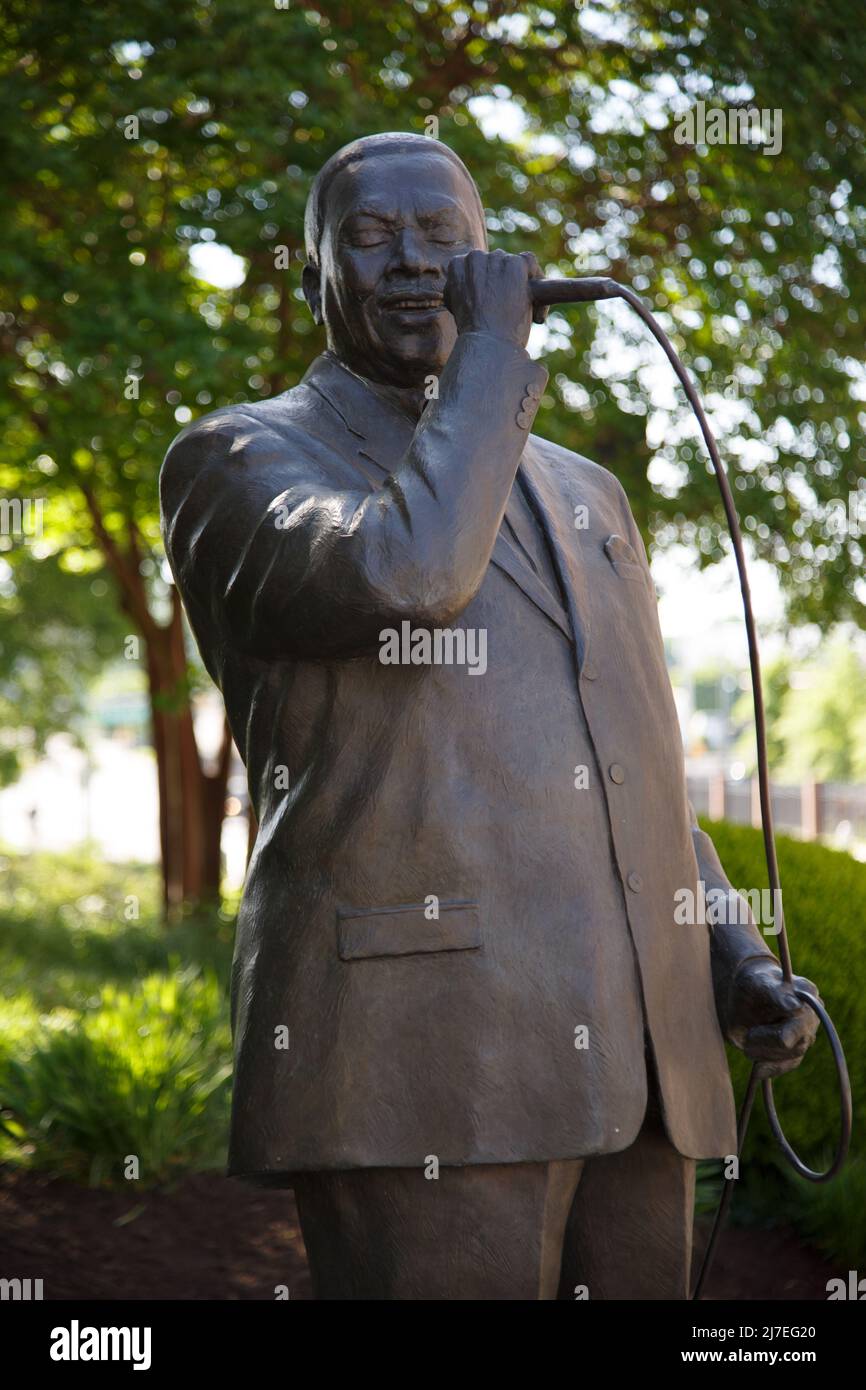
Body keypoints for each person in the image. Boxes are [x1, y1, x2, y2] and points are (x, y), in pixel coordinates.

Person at [160, 133, 819, 1300]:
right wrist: (487, 370)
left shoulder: (584, 491)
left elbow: (631, 773)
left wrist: (729, 953)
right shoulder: (238, 458)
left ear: (487, 256)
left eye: (443, 238)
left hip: (640, 1062)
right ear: (314, 275)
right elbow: (401, 574)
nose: (413, 264)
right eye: (369, 238)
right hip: (420, 1053)